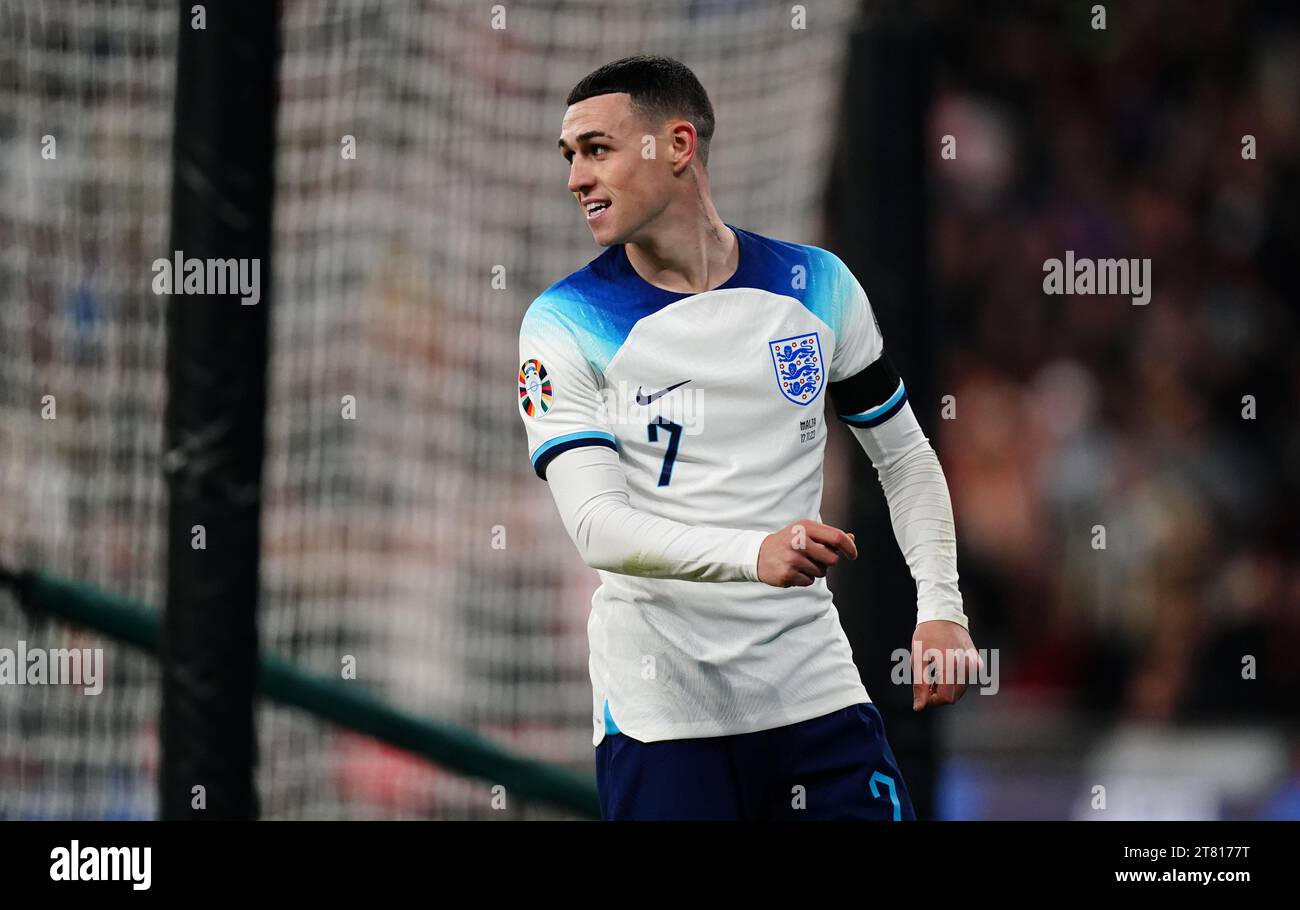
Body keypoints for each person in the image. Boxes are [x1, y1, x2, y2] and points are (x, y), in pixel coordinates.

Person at [516, 55, 978, 820]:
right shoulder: (562, 324)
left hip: (812, 693)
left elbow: (903, 456)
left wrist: (941, 606)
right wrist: (752, 553)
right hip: (662, 713)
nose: (576, 179)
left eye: (596, 149)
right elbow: (597, 528)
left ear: (677, 144)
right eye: (570, 157)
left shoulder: (818, 285)